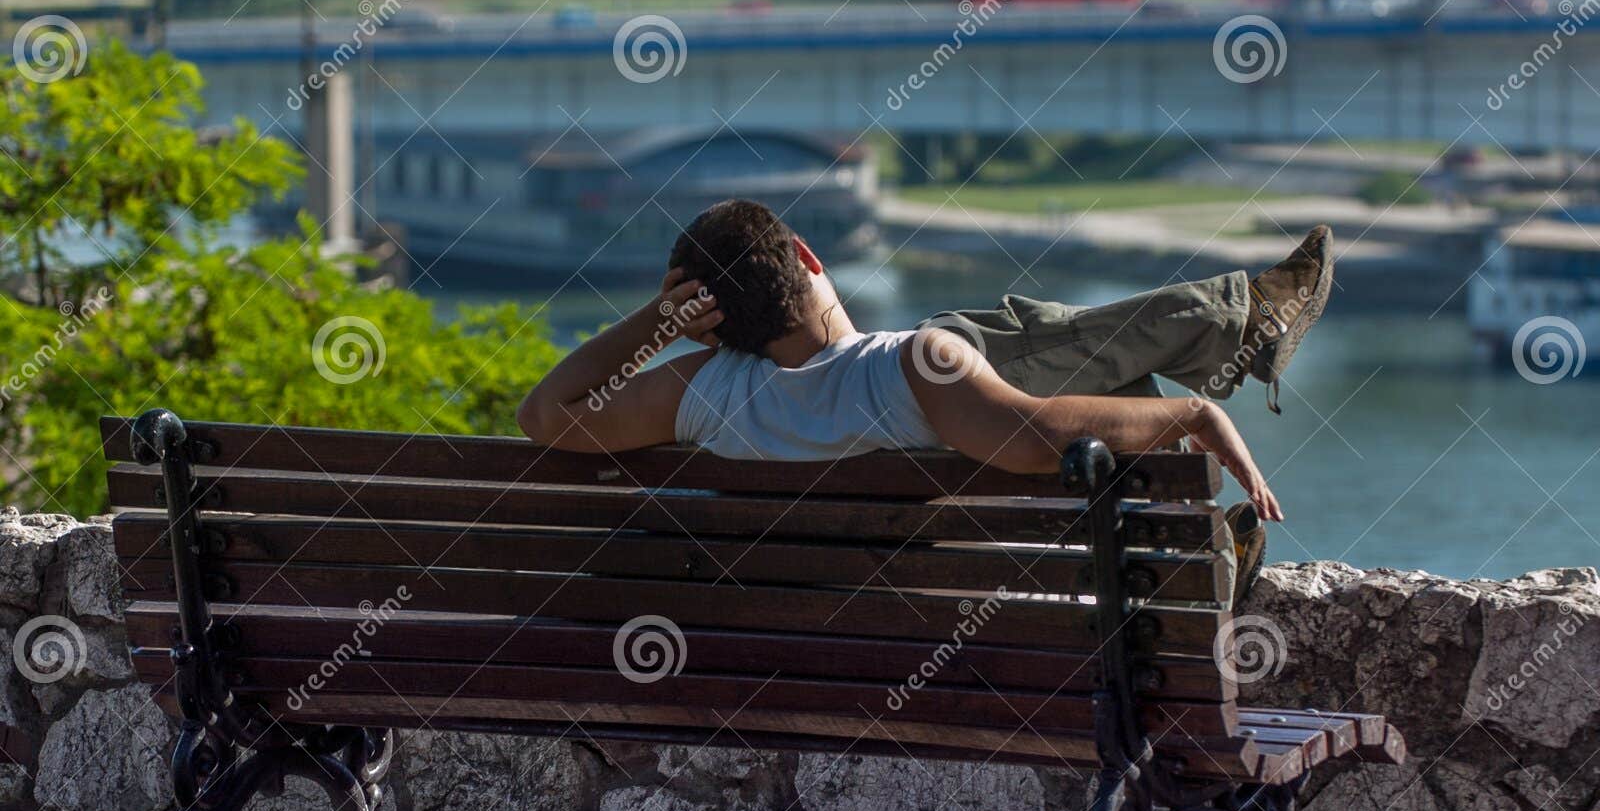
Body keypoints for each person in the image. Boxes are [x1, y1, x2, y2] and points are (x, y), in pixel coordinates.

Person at [517, 200, 1335, 602]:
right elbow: (1036, 441)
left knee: (1003, 351)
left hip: (808, 653)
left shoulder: (700, 394)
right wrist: (1195, 414)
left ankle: (1196, 533)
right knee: (982, 338)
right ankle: (1242, 326)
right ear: (808, 258)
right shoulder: (911, 366)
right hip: (963, 629)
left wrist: (661, 322)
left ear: (713, 323)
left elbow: (544, 415)